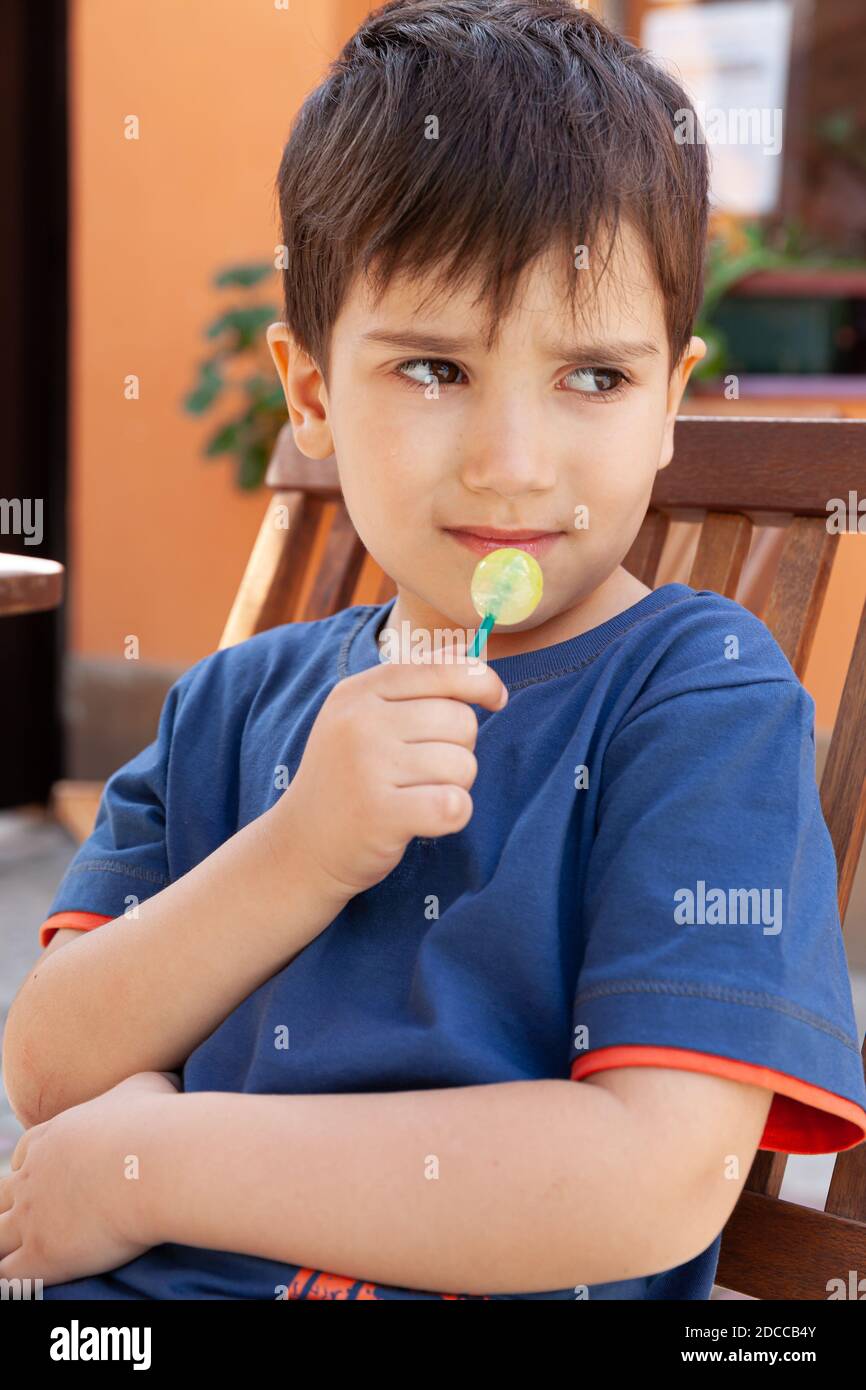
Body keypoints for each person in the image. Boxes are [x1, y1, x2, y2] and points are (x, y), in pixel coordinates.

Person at [4, 0, 865, 1301]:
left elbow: (650, 1178)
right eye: (430, 368)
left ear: (670, 401)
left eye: (590, 378)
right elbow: (50, 1067)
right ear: (309, 394)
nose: (511, 463)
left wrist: (155, 1165)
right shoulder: (233, 706)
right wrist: (297, 849)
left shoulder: (696, 701)